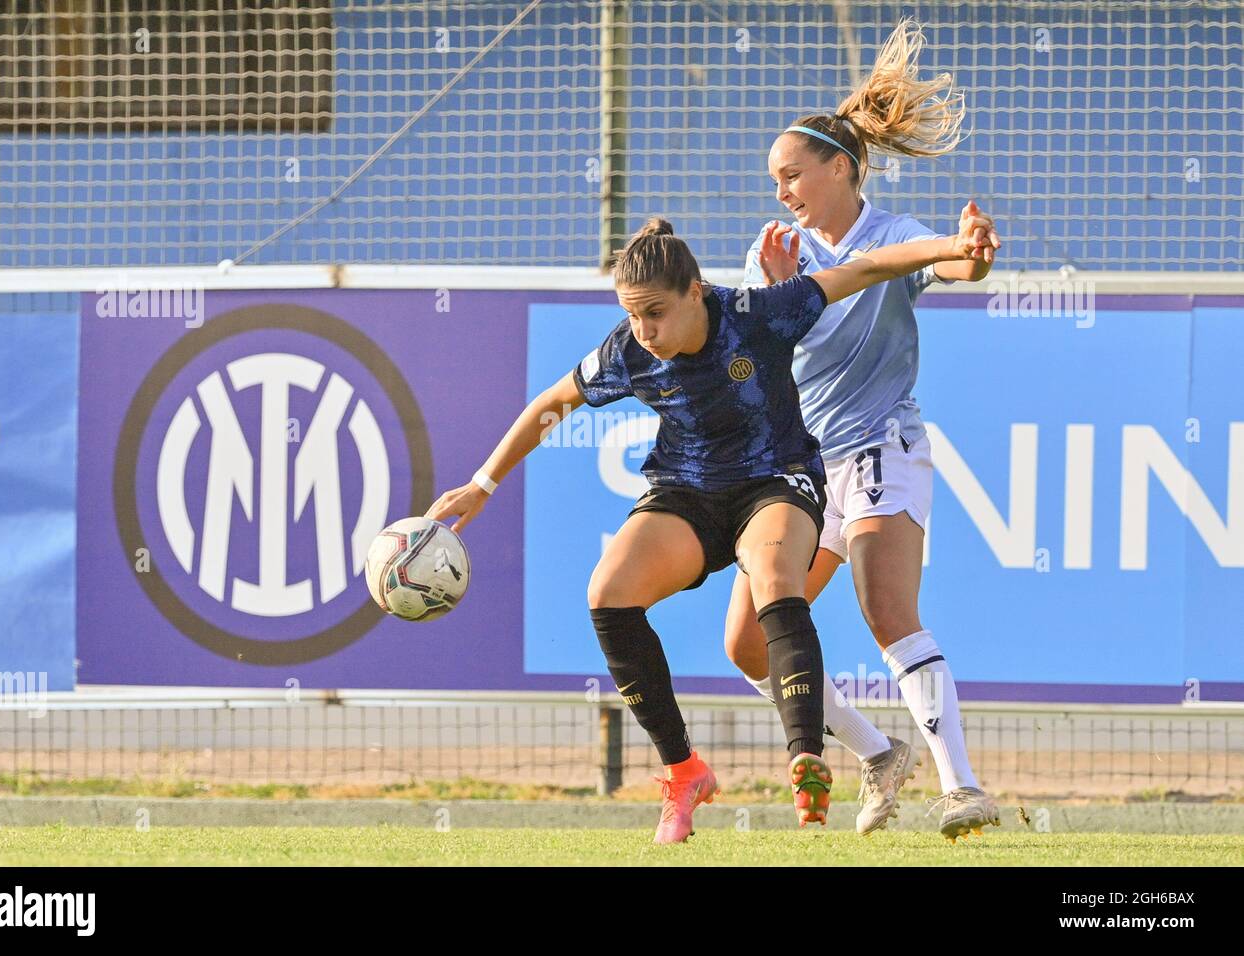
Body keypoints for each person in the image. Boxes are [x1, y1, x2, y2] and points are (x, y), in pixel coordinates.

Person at [426, 213, 995, 844]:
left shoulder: (758, 313)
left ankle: (806, 754)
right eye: (632, 314)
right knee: (608, 595)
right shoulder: (628, 350)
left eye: (655, 313)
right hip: (688, 492)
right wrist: (482, 483)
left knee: (776, 577)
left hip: (778, 480)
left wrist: (950, 247)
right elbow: (551, 404)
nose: (645, 331)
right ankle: (684, 771)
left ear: (696, 292)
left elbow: (863, 269)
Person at [725, 17, 1002, 842]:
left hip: (881, 443)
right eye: (775, 180)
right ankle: (879, 755)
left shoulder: (895, 235)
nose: (782, 192)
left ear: (839, 168)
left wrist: (975, 252)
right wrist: (778, 300)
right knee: (746, 644)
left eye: (792, 174)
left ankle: (964, 790)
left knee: (888, 611)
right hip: (803, 473)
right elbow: (757, 358)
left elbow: (952, 262)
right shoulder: (774, 250)